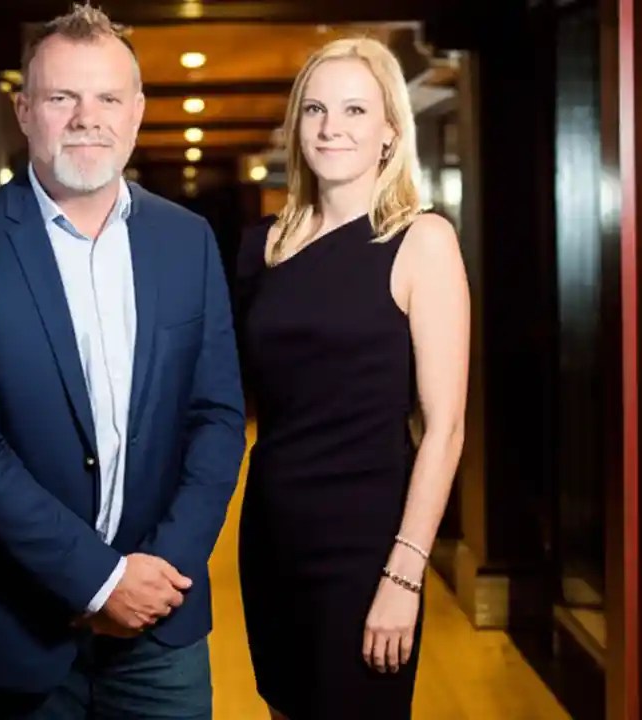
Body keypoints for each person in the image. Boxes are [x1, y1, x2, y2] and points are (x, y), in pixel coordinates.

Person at [0, 5, 245, 719]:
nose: (87, 117)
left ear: (137, 111)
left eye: (108, 98)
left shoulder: (189, 242)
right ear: (25, 110)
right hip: (13, 635)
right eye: (62, 98)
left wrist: (160, 573)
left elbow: (216, 417)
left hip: (162, 626)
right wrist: (98, 581)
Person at [233, 37, 470, 720]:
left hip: (367, 547)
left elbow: (446, 428)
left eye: (356, 110)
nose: (332, 127)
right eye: (315, 109)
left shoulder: (421, 240)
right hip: (273, 532)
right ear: (296, 125)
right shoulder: (263, 244)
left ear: (391, 133)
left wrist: (405, 573)